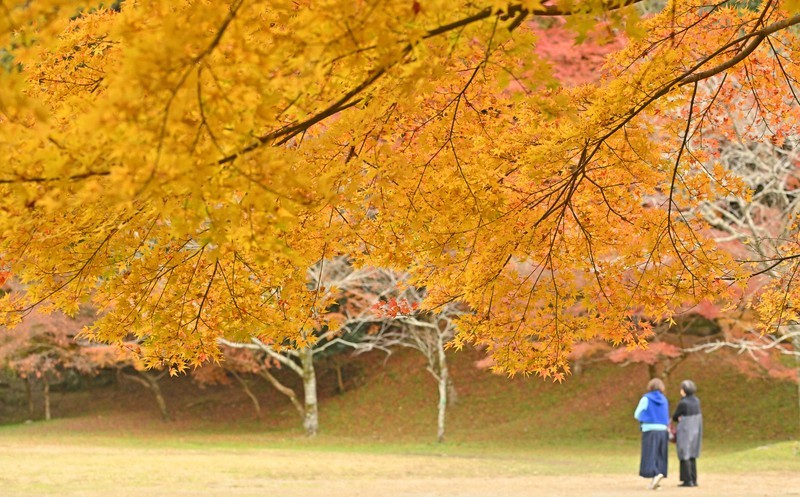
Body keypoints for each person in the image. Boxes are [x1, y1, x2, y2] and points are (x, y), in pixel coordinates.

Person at [634, 378, 670, 490]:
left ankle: (654, 473)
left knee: (650, 453)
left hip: (650, 429)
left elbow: (637, 414)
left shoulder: (646, 398)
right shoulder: (664, 399)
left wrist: (644, 418)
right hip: (663, 430)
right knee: (660, 454)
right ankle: (658, 475)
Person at [672, 379, 702, 487]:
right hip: (696, 430)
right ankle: (694, 479)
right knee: (692, 454)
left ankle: (687, 480)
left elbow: (675, 416)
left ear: (684, 390)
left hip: (686, 431)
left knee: (684, 454)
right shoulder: (697, 401)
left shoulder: (683, 403)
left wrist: (678, 418)